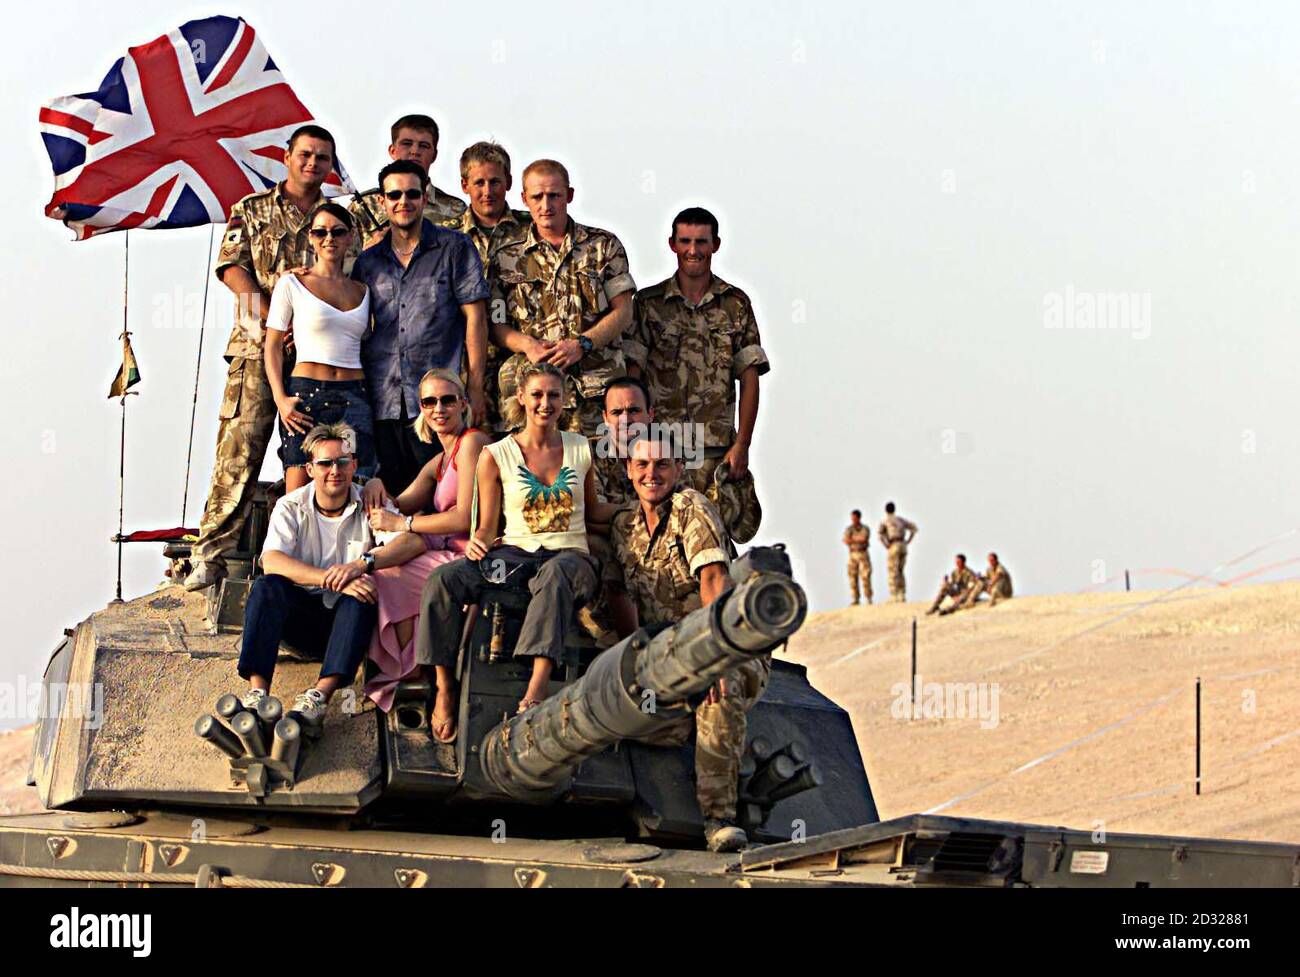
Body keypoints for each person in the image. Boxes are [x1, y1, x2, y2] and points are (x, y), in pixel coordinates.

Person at [414, 362, 618, 714]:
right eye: (536, 394)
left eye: (553, 395)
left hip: (571, 557)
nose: (545, 403)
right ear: (521, 397)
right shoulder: (496, 454)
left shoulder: (580, 447)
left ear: (565, 398)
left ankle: (536, 687)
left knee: (555, 575)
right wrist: (478, 540)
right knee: (443, 580)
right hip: (515, 557)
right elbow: (487, 526)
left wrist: (643, 506)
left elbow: (593, 510)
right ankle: (444, 687)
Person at [186, 125, 338, 592]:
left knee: (315, 455)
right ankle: (210, 554)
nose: (313, 164)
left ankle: (304, 555)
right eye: (305, 155)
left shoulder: (336, 218)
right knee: (239, 451)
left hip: (315, 357)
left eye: (322, 158)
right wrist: (273, 315)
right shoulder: (252, 210)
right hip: (257, 349)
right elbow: (233, 270)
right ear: (287, 157)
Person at [604, 433, 767, 853]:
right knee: (644, 717)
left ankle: (719, 818)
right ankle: (676, 728)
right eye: (641, 466)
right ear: (628, 471)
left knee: (719, 691)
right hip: (667, 655)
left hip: (725, 642)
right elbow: (620, 593)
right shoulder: (625, 526)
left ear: (678, 470)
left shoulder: (690, 509)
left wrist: (712, 659)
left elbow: (713, 581)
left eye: (661, 465)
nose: (650, 474)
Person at [236, 423, 426, 731]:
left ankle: (319, 696)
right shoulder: (291, 506)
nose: (333, 470)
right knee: (266, 586)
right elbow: (271, 560)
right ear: (311, 469)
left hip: (349, 626)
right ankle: (258, 692)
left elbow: (412, 542)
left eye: (341, 462)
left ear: (353, 465)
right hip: (299, 620)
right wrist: (329, 578)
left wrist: (360, 565)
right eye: (325, 463)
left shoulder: (370, 502)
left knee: (363, 595)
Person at [358, 369, 489, 731]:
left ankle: (437, 683)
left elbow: (463, 517)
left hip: (472, 557)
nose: (438, 408)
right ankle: (412, 670)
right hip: (445, 553)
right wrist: (374, 482)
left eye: (448, 399)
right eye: (429, 402)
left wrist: (406, 525)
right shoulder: (440, 459)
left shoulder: (473, 443)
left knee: (400, 574)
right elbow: (399, 502)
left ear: (464, 403)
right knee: (387, 574)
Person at [351, 160, 489, 496]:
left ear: (425, 197)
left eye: (412, 193)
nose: (403, 201)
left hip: (435, 403)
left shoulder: (455, 247)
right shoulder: (367, 262)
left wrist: (476, 386)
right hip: (382, 398)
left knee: (444, 496)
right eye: (394, 194)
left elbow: (476, 318)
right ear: (382, 202)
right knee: (392, 496)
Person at [490, 159, 636, 443]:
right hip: (533, 395)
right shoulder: (506, 257)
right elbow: (496, 324)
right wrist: (527, 345)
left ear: (569, 195)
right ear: (524, 199)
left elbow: (624, 311)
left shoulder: (603, 247)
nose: (546, 205)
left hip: (594, 390)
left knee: (596, 479)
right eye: (537, 196)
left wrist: (582, 344)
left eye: (554, 195)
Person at [630, 207, 769, 503]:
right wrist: (635, 443)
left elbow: (750, 379)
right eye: (685, 241)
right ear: (673, 244)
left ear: (715, 245)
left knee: (715, 540)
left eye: (702, 242)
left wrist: (742, 444)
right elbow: (632, 377)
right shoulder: (648, 304)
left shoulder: (735, 304)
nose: (693, 250)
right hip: (661, 451)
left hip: (716, 451)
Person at [264, 203, 374, 492]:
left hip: (355, 393)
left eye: (338, 231)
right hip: (307, 393)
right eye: (321, 231)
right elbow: (273, 345)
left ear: (350, 236)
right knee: (299, 487)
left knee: (355, 483)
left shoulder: (363, 289)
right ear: (310, 237)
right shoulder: (291, 283)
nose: (330, 238)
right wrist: (280, 397)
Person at [454, 141, 532, 433]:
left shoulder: (532, 230)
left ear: (509, 183)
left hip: (520, 365)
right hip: (466, 366)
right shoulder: (447, 236)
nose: (488, 191)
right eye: (479, 183)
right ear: (464, 185)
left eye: (495, 182)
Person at [349, 114, 467, 247]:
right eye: (407, 144)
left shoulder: (455, 209)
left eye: (423, 145)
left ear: (434, 155)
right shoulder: (364, 207)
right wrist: (371, 250)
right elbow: (342, 261)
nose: (415, 151)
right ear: (392, 151)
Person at [594, 376, 654, 507]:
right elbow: (594, 512)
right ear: (605, 418)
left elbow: (681, 507)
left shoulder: (667, 453)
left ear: (650, 414)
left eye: (634, 410)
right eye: (616, 412)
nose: (625, 419)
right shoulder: (589, 455)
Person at [878, 502, 918, 602]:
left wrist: (886, 545)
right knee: (900, 570)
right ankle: (902, 593)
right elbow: (914, 528)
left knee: (892, 570)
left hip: (894, 544)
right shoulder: (900, 520)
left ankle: (894, 594)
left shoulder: (885, 521)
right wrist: (909, 540)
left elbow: (880, 535)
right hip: (903, 545)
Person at [844, 510, 872, 605]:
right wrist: (856, 540)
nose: (853, 519)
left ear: (859, 518)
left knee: (865, 576)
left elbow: (864, 538)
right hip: (853, 554)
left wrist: (852, 540)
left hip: (863, 553)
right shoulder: (849, 529)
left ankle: (868, 597)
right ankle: (855, 598)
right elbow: (845, 540)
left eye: (854, 517)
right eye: (852, 518)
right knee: (852, 577)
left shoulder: (864, 528)